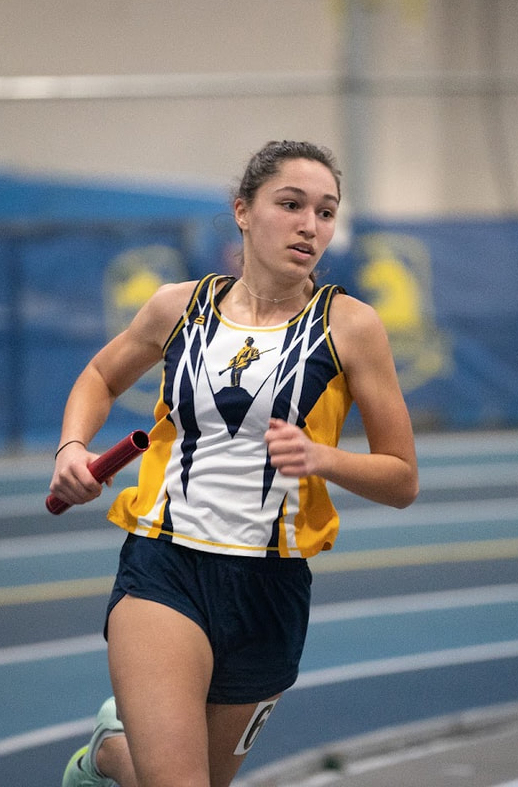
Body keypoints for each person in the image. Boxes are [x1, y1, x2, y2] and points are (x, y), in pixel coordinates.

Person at [49, 140, 418, 787]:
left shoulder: (351, 327)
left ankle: (112, 752)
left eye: (326, 212)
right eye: (291, 204)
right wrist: (72, 449)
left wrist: (322, 458)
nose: (310, 225)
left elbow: (402, 478)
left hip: (270, 588)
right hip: (166, 564)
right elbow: (98, 378)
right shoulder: (177, 306)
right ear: (243, 211)